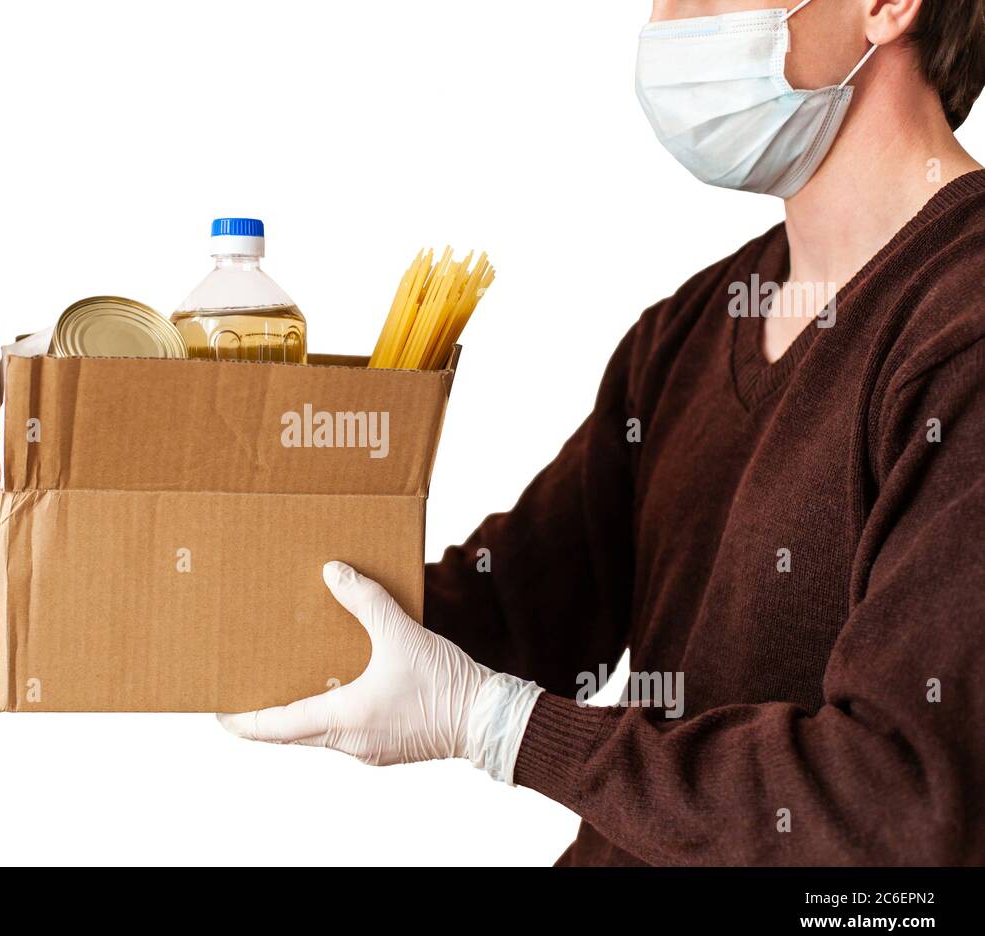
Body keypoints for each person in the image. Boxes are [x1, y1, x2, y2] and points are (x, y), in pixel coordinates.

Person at [219, 0, 985, 866]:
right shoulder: (690, 328)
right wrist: (239, 583)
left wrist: (499, 725)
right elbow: (521, 606)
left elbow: (900, 804)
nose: (667, 23)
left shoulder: (962, 327)